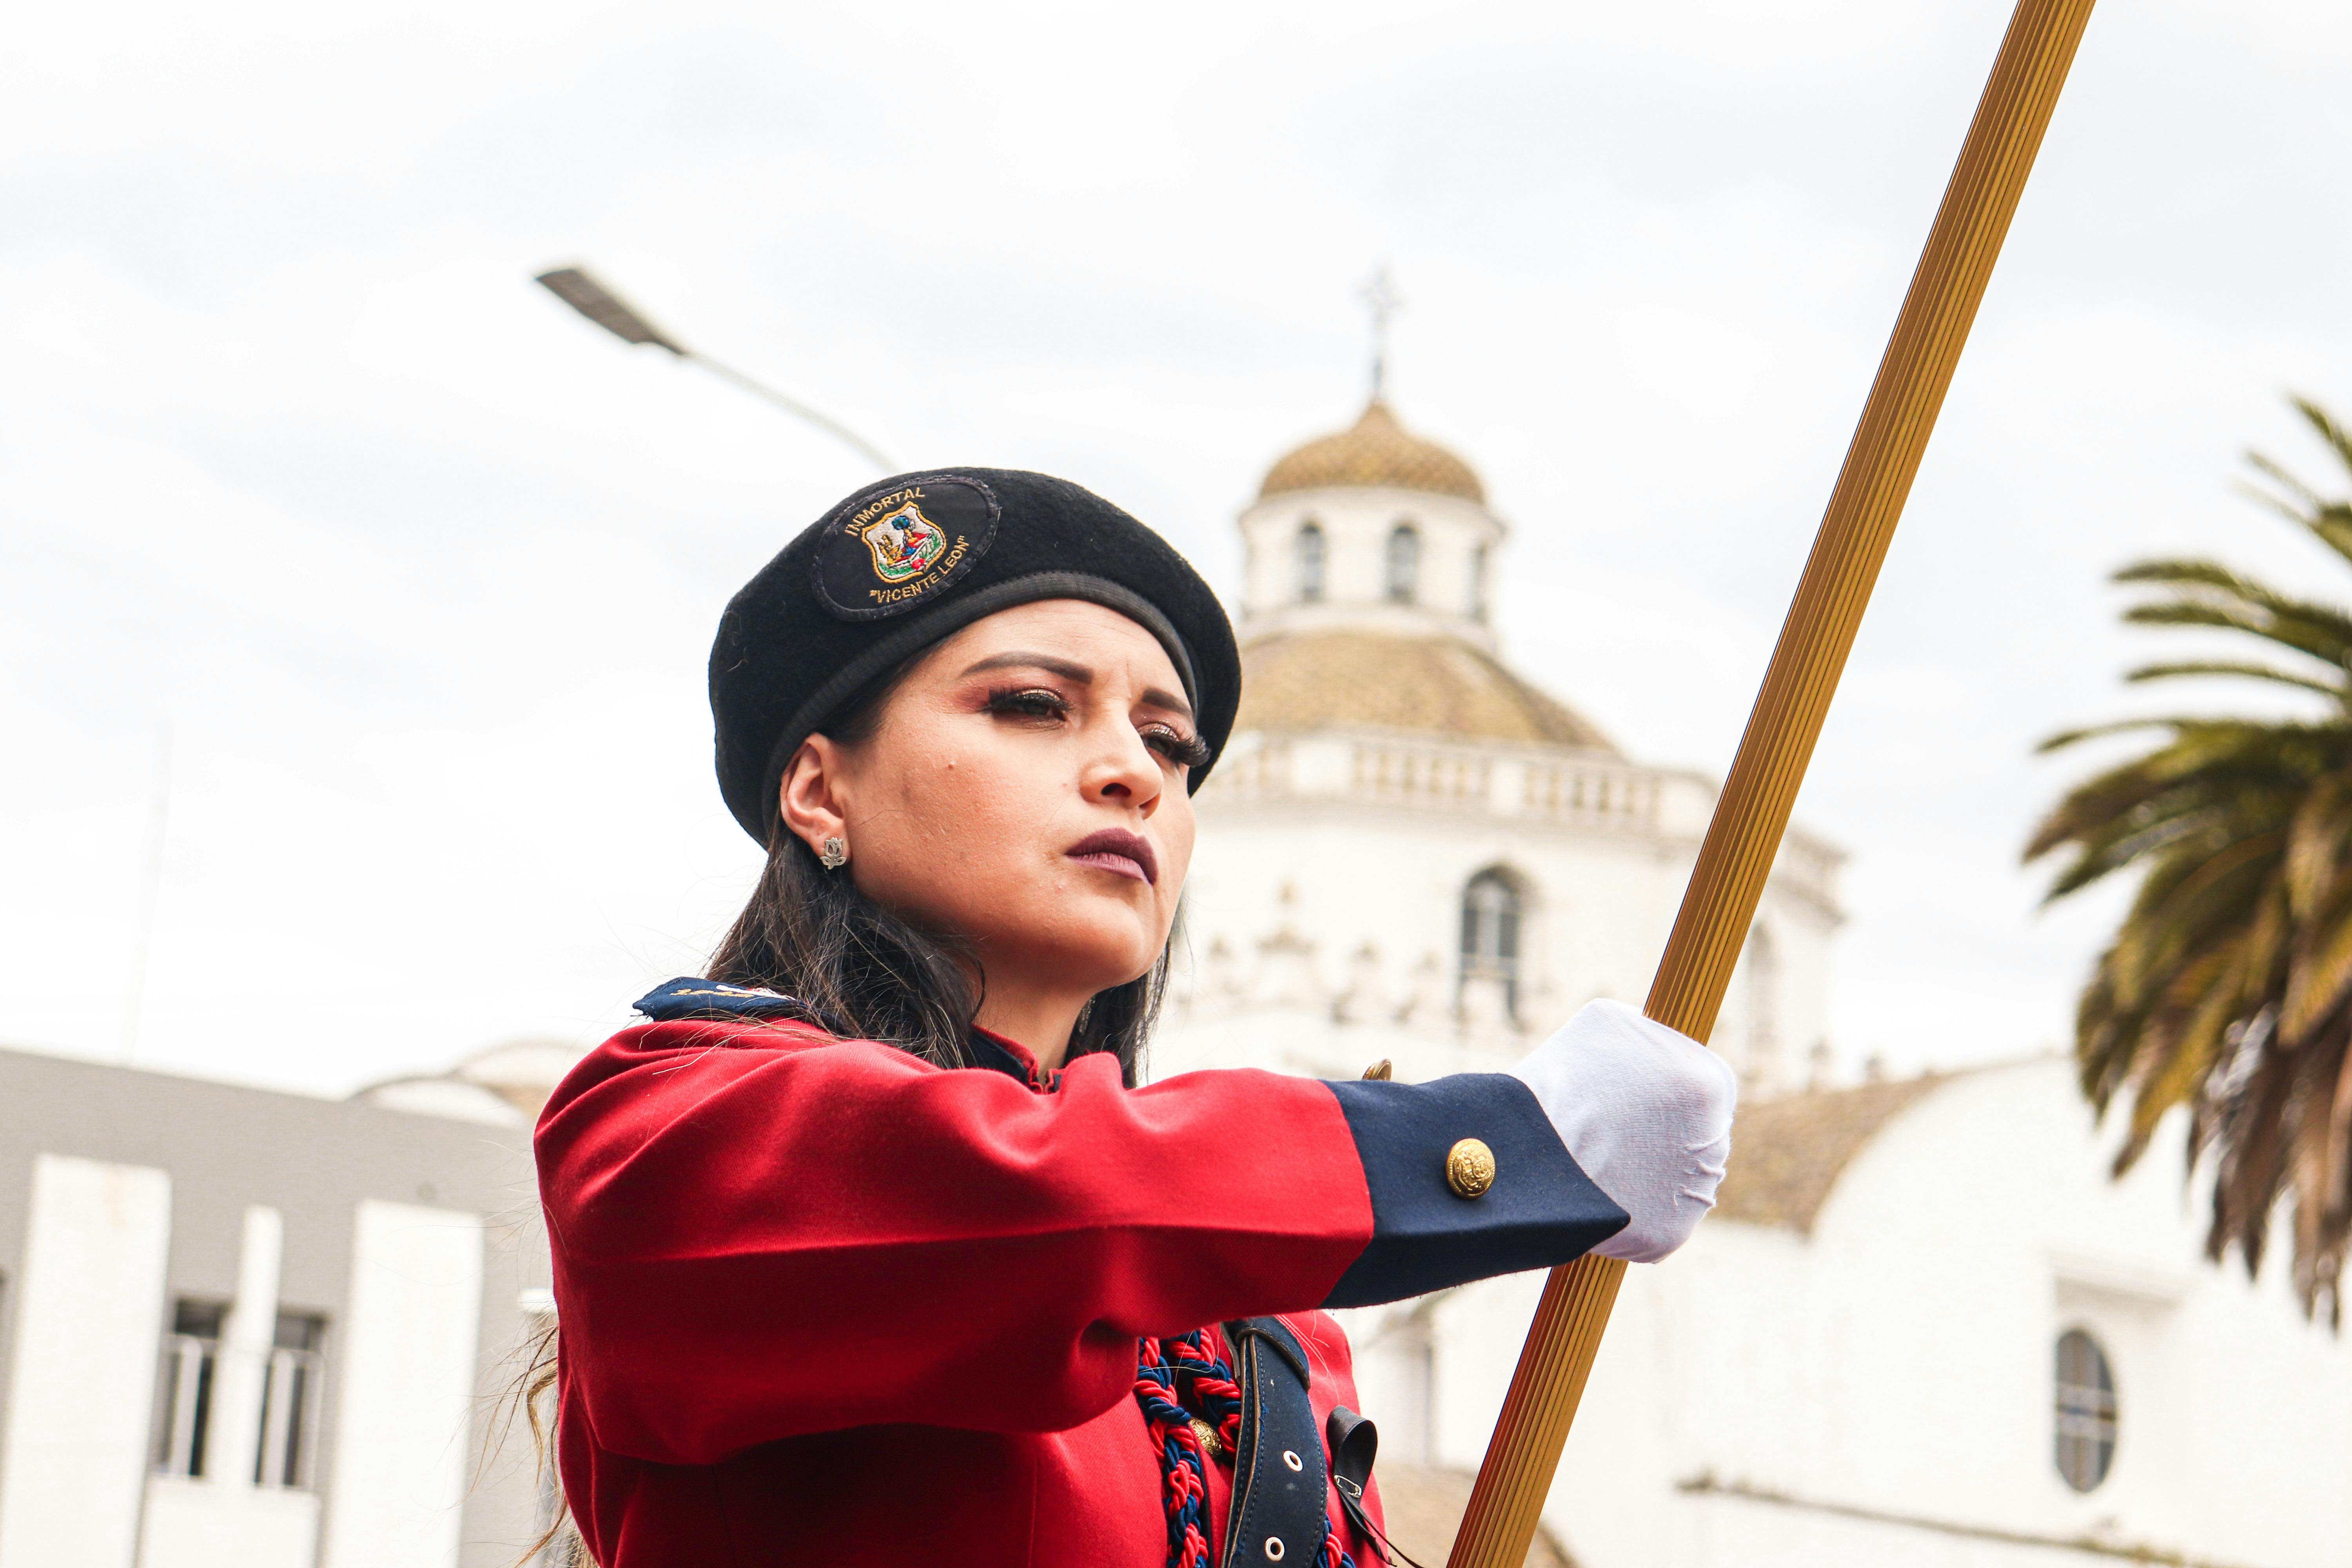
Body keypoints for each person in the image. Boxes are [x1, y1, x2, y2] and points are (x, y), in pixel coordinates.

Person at [534, 469, 1737, 1568]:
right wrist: (1514, 1145)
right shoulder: (666, 1133)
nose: (1137, 772)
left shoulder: (1263, 1329)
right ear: (818, 789)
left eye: (1169, 740)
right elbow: (1044, 1200)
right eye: (1031, 706)